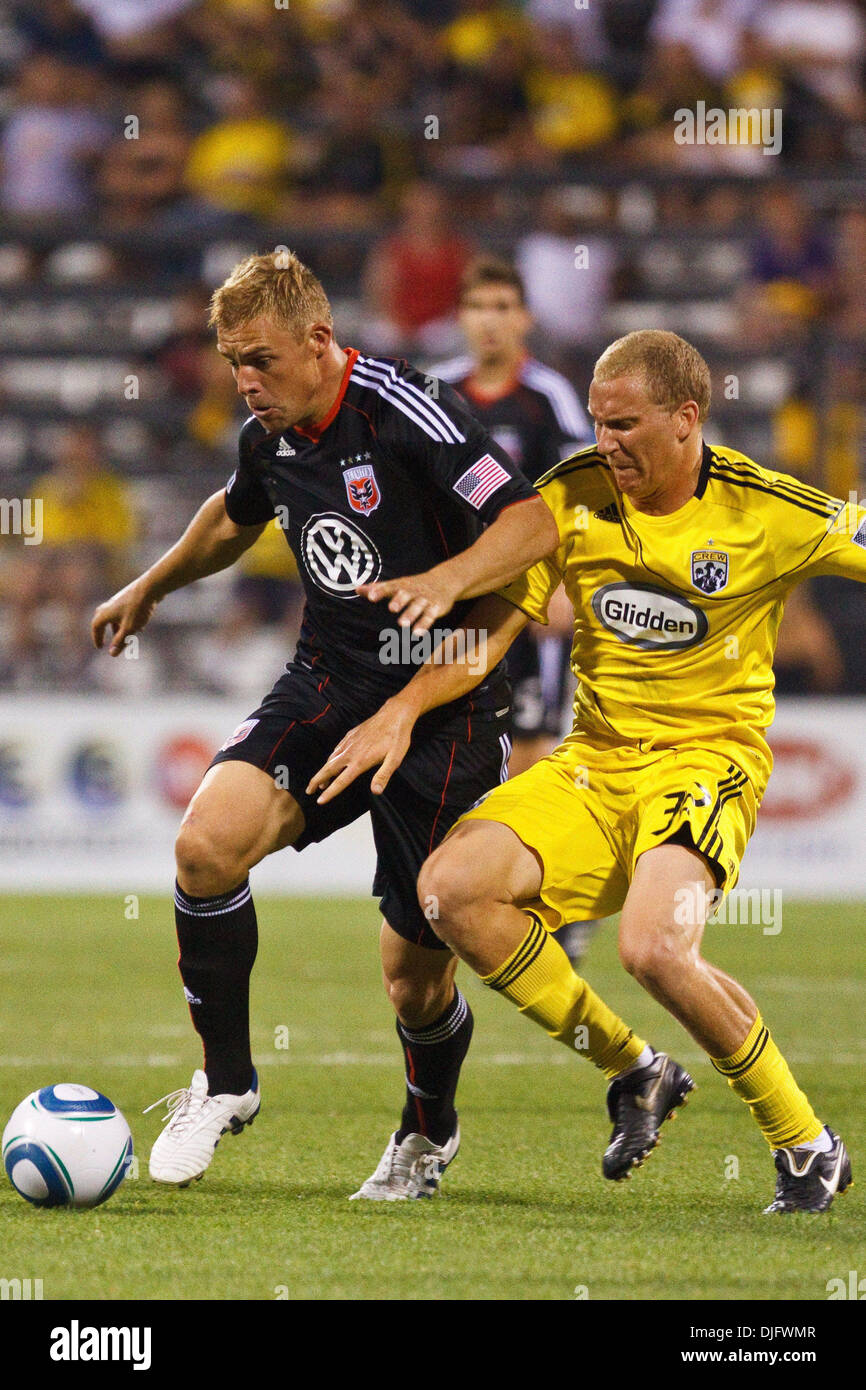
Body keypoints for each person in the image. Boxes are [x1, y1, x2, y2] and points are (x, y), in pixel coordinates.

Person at [310, 329, 862, 1214]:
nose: (605, 442)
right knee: (450, 890)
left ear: (687, 419)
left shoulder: (769, 509)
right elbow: (495, 628)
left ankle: (806, 1142)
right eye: (598, 423)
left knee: (652, 947)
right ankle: (635, 1069)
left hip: (705, 763)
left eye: (625, 424)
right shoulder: (572, 496)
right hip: (595, 765)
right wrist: (401, 709)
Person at [91, 248, 558, 1200]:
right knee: (205, 850)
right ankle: (225, 1086)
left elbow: (531, 525)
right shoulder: (270, 431)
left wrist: (444, 580)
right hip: (329, 680)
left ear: (319, 340)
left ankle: (428, 1132)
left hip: (443, 704)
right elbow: (234, 515)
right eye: (232, 363)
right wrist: (151, 585)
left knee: (413, 977)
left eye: (260, 359)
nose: (245, 381)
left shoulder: (404, 410)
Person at [434, 254, 597, 963]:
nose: (491, 320)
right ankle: (457, 895)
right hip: (455, 603)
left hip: (526, 607)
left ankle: (554, 901)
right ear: (462, 316)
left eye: (504, 306)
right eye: (479, 306)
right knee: (457, 749)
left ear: (524, 317)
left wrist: (565, 586)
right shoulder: (438, 392)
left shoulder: (548, 397)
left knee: (535, 753)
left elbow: (582, 494)